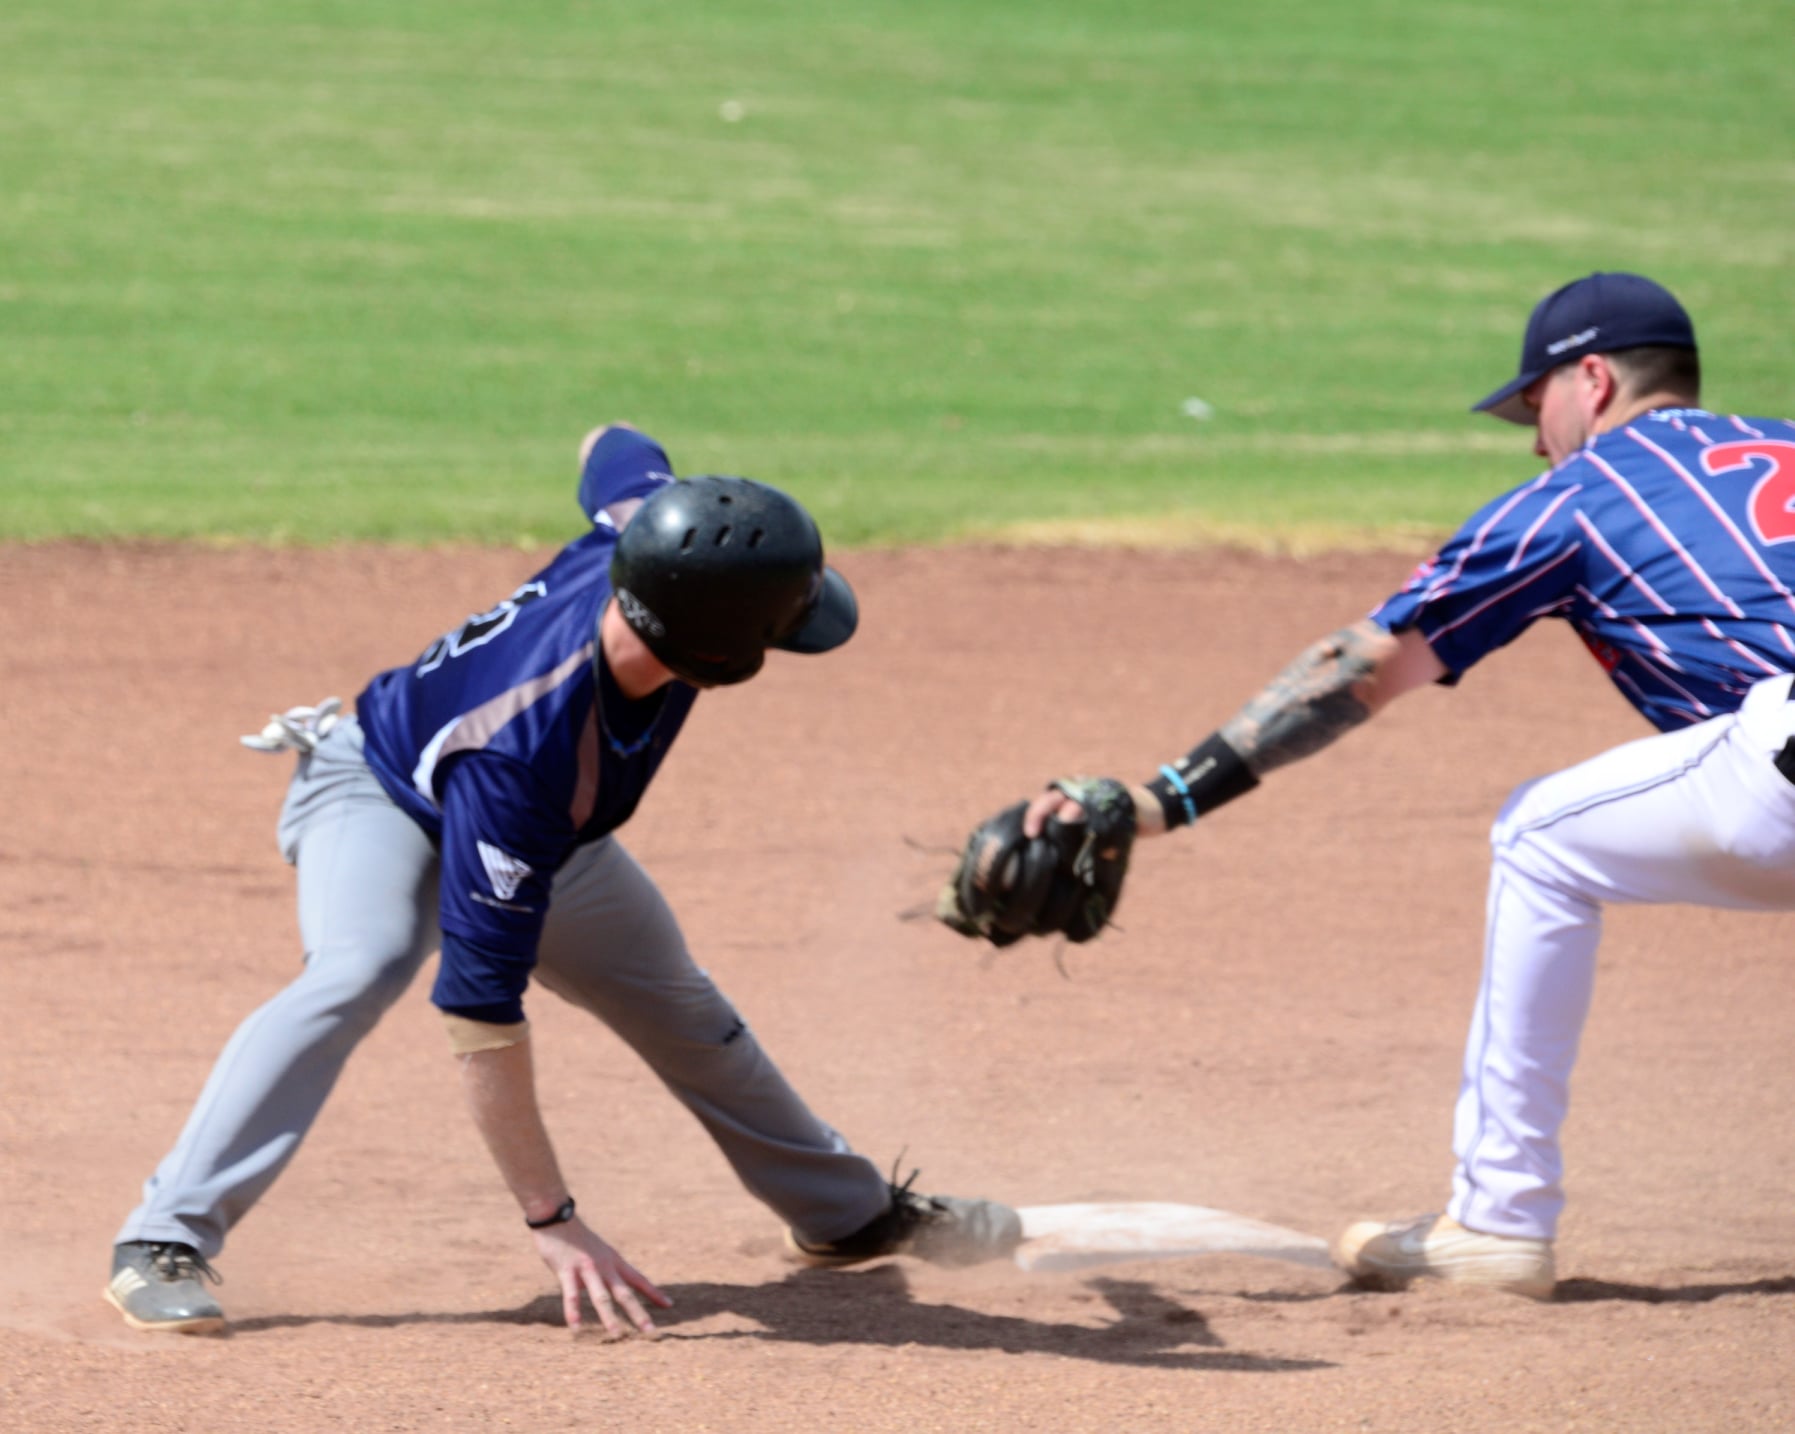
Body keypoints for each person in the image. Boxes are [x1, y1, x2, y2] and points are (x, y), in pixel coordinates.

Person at [106, 424, 1021, 1337]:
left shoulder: (644, 535)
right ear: (717, 656)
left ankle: (846, 1216)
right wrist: (552, 1218)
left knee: (683, 1009)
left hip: (550, 833)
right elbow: (481, 1015)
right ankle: (159, 1239)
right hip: (380, 792)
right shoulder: (532, 753)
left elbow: (611, 444)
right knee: (360, 966)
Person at [1020, 272, 1795, 1298]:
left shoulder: (1578, 495)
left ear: (1593, 380)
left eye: (1535, 405)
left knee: (1540, 840)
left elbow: (1365, 667)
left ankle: (1498, 1218)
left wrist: (1168, 797)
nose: (1532, 438)